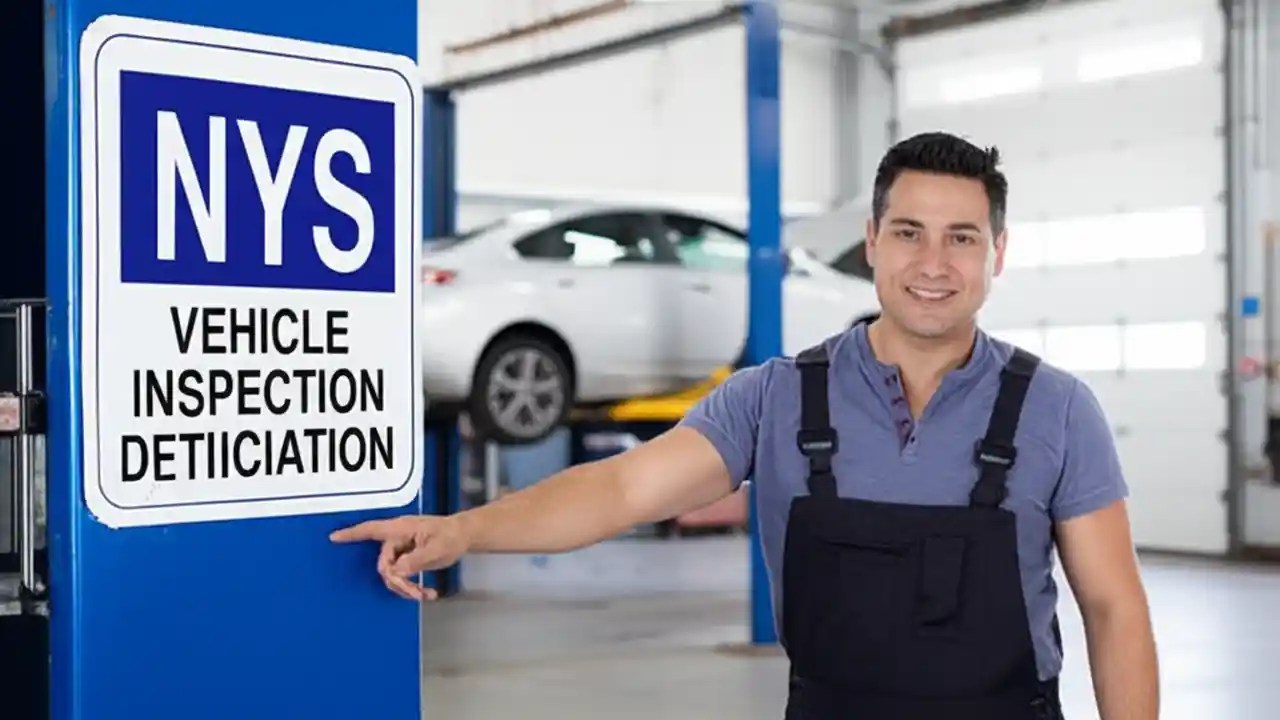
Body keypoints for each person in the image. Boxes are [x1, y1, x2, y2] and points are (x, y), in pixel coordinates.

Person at [331, 131, 1160, 719]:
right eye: (908, 233)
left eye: (962, 238)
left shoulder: (1056, 408)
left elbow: (1113, 609)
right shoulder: (774, 398)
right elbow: (622, 488)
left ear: (997, 254)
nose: (934, 263)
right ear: (871, 243)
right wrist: (464, 528)